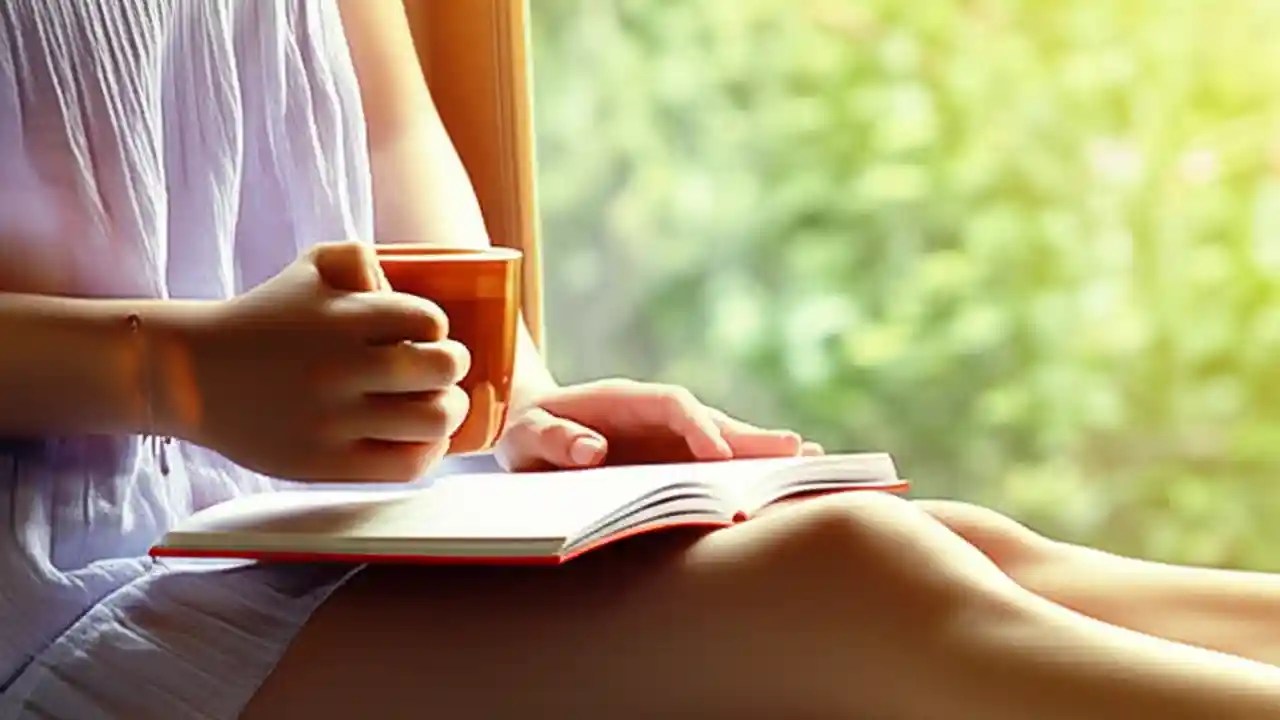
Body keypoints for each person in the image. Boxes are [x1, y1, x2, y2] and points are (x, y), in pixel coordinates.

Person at [1, 1, 1278, 718]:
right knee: (845, 577)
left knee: (972, 550)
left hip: (306, 530)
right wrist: (169, 376)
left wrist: (517, 403)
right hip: (56, 606)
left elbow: (383, 128)